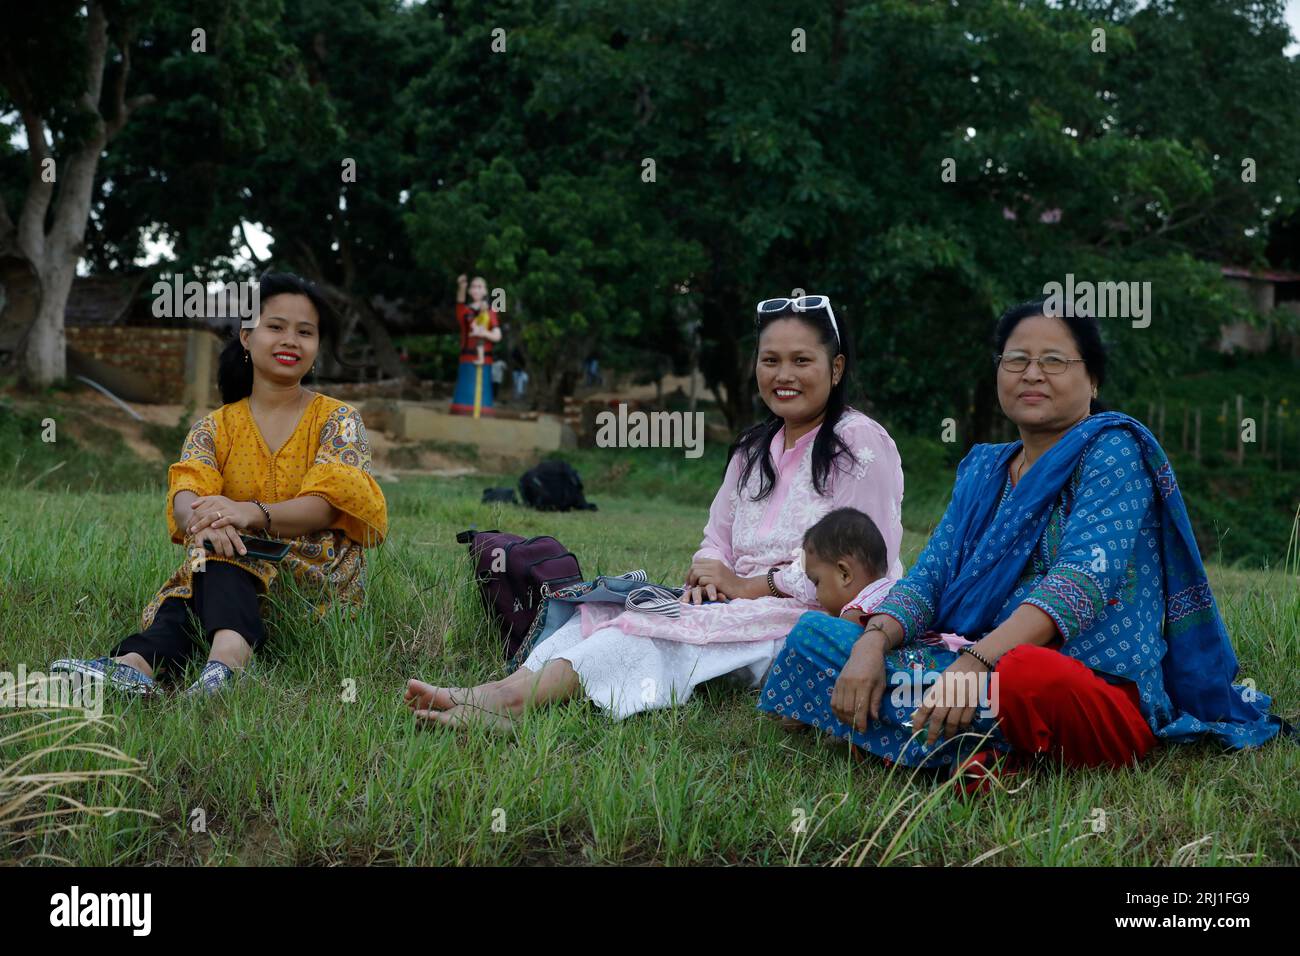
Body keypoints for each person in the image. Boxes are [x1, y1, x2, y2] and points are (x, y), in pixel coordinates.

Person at [759, 298, 1291, 791]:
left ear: (1093, 379)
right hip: (961, 666)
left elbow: (1082, 580)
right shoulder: (983, 470)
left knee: (1027, 675)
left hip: (1081, 685)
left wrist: (978, 659)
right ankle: (946, 736)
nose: (1032, 374)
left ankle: (893, 728)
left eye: (1054, 361)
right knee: (813, 635)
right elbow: (931, 578)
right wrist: (873, 644)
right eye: (1016, 360)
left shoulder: (1113, 453)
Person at [405, 294, 905, 729]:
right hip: (733, 606)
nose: (784, 375)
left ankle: (512, 704)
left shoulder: (859, 444)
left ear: (835, 368)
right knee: (609, 606)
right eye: (770, 360)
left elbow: (864, 570)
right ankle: (505, 686)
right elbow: (716, 538)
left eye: (802, 361)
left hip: (803, 621)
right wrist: (711, 575)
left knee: (656, 631)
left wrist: (752, 586)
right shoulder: (753, 449)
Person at [51, 271, 388, 697]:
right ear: (246, 336)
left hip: (315, 577)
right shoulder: (214, 427)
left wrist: (249, 512)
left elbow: (326, 504)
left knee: (224, 551)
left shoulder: (338, 420)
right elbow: (187, 490)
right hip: (228, 560)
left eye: (305, 332)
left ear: (317, 347)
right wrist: (205, 520)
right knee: (211, 556)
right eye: (276, 327)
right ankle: (135, 665)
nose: (291, 340)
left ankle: (227, 664)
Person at [451, 274, 502, 417]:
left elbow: (498, 335)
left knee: (482, 397)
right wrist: (461, 286)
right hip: (466, 360)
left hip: (485, 361)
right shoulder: (464, 311)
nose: (476, 290)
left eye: (480, 287)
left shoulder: (491, 312)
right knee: (464, 393)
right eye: (473, 287)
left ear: (485, 291)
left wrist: (484, 333)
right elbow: (460, 301)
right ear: (469, 291)